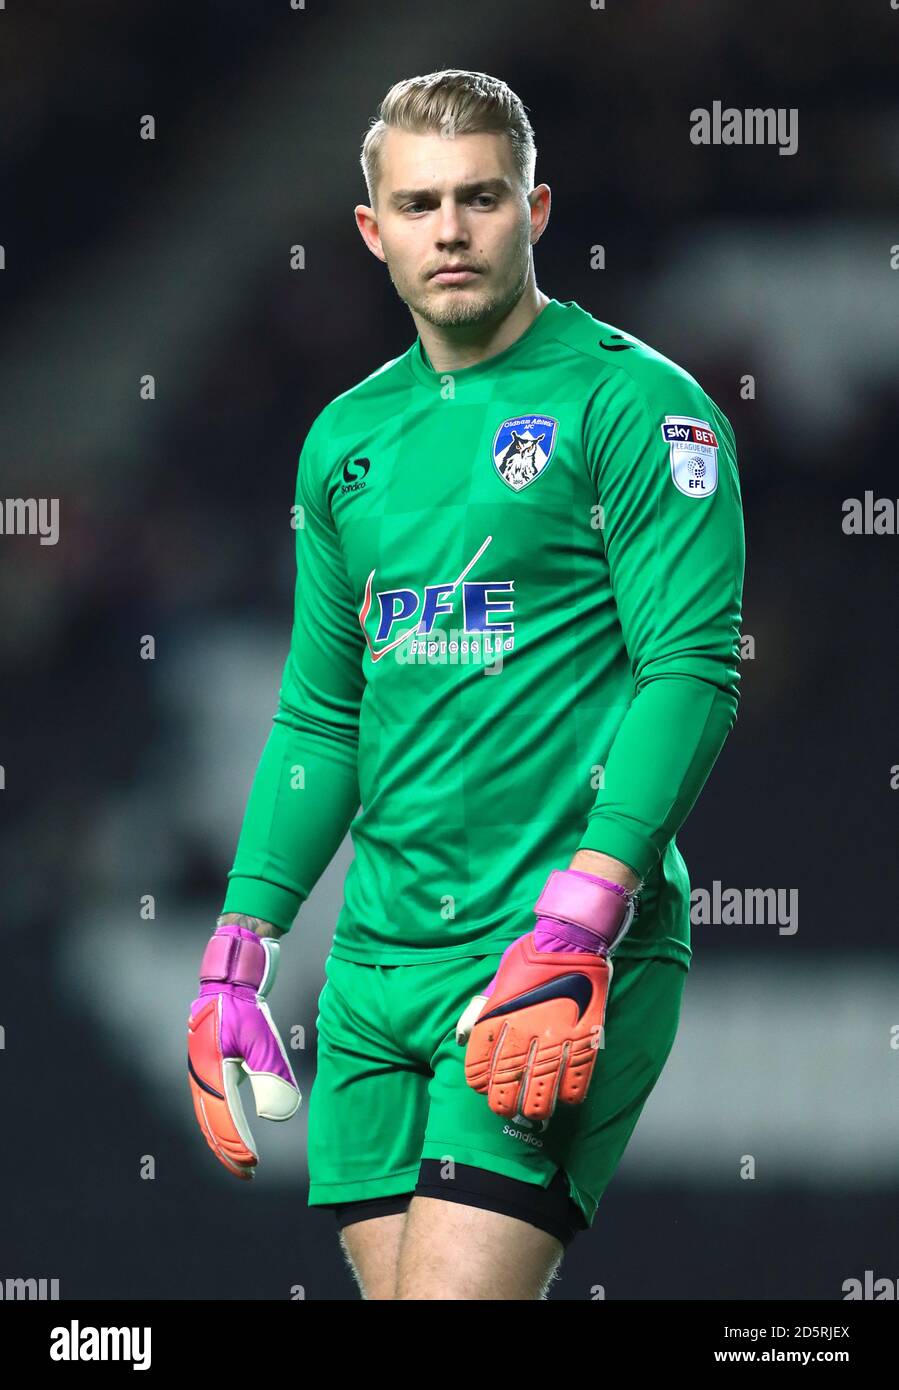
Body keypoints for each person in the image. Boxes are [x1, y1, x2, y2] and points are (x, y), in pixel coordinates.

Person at [188, 68, 745, 1301]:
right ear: (370, 230)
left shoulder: (635, 405)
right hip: (375, 971)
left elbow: (691, 669)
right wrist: (241, 940)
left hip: (544, 954)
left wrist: (583, 912)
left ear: (535, 211)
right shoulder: (344, 438)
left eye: (481, 197)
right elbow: (323, 711)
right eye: (421, 201)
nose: (450, 229)